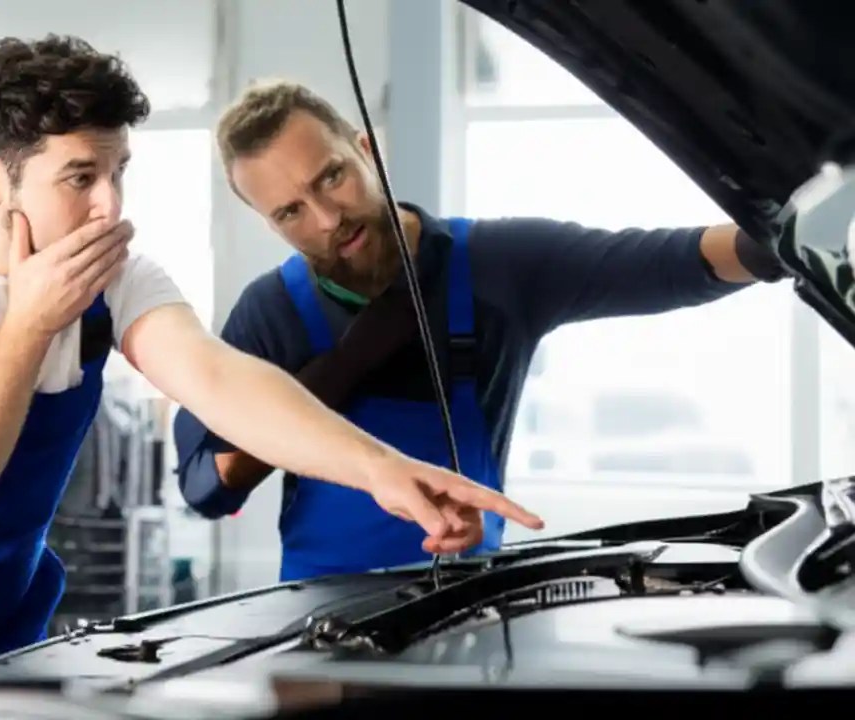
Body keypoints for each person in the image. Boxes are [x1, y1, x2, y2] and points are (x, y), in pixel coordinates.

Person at [0, 37, 543, 718]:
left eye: (119, 171)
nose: (110, 205)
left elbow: (222, 381)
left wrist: (380, 468)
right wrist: (28, 325)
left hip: (8, 632)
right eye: (79, 177)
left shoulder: (112, 277)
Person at [172, 79, 788, 584]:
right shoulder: (270, 313)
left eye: (331, 177)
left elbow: (662, 262)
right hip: (315, 619)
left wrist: (783, 241)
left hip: (469, 598)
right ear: (267, 223)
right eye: (290, 212)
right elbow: (206, 486)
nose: (328, 218)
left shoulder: (496, 265)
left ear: (367, 149)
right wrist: (346, 365)